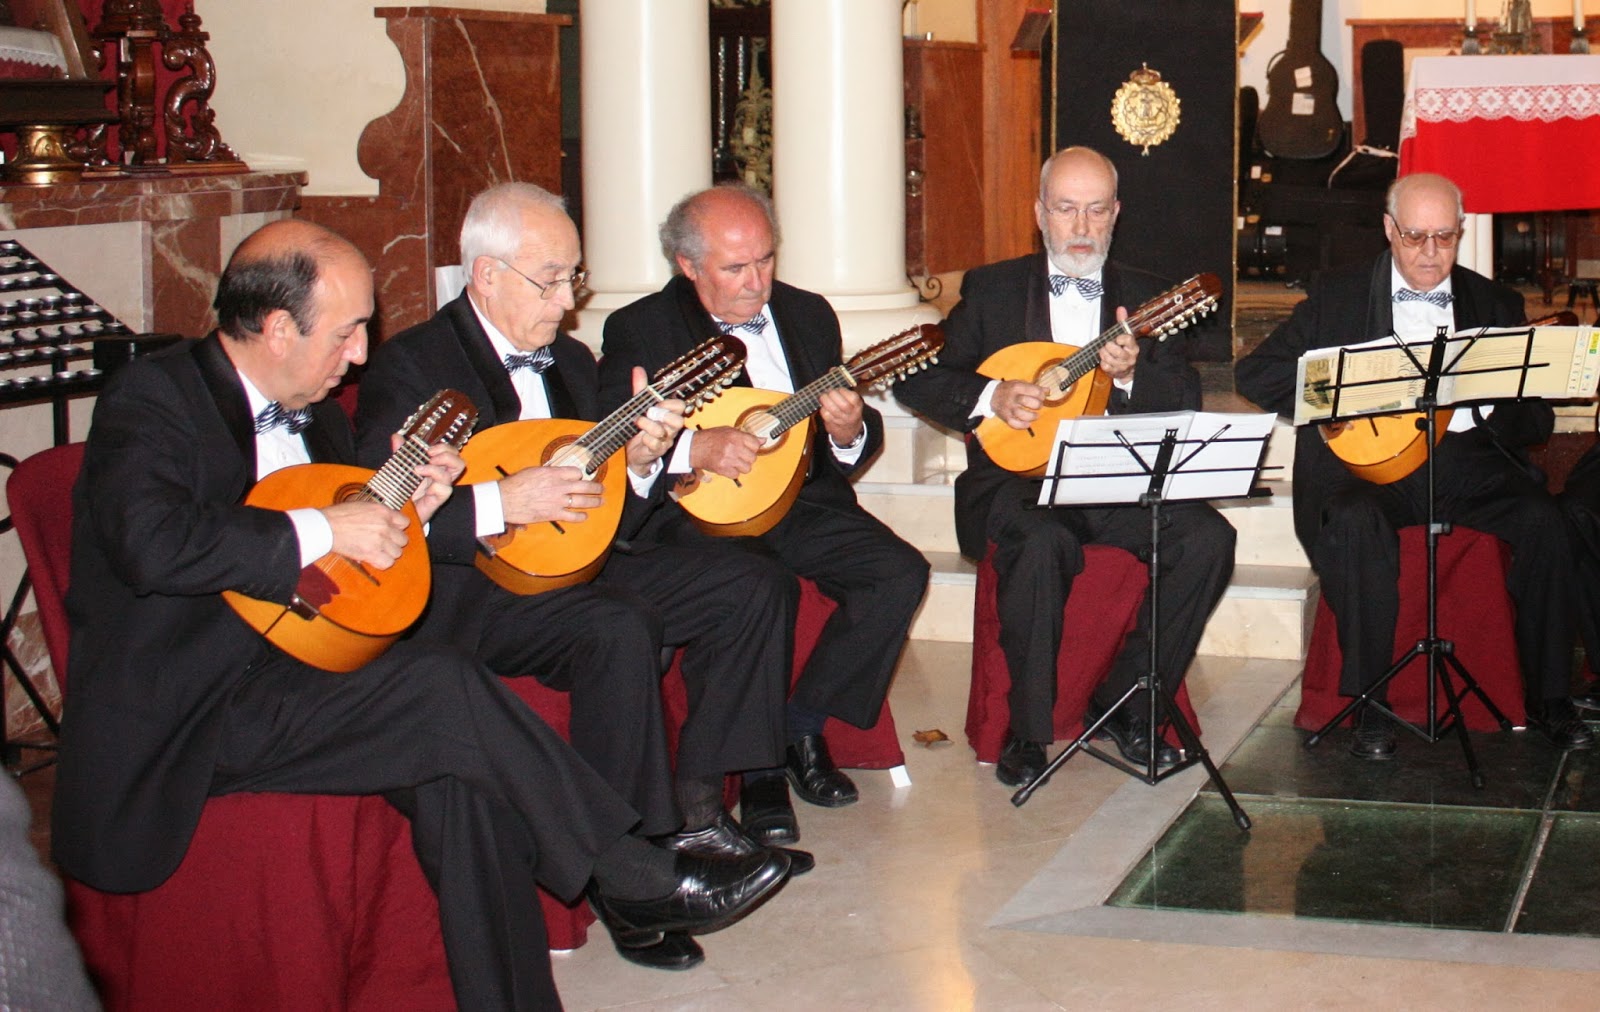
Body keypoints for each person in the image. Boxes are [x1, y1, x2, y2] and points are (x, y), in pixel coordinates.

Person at [51, 219, 789, 1010]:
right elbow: (149, 543)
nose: (362, 355)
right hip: (196, 700)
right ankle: (629, 868)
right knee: (441, 683)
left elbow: (350, 569)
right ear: (274, 329)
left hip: (309, 664)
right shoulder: (155, 397)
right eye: (347, 332)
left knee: (461, 779)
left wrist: (419, 504)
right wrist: (328, 525)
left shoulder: (319, 412)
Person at [355, 183, 812, 964]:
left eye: (575, 279)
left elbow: (611, 513)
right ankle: (637, 880)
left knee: (752, 582)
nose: (568, 302)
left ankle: (702, 814)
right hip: (473, 592)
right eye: (552, 280)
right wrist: (502, 500)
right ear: (487, 275)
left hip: (575, 567)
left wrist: (638, 461)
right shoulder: (414, 365)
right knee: (617, 624)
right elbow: (381, 515)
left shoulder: (569, 360)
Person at [895, 145, 1236, 787]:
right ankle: (1027, 730)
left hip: (1116, 482)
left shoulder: (1148, 299)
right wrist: (989, 396)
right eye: (1066, 209)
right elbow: (920, 380)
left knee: (1209, 538)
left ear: (1116, 214)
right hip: (1016, 484)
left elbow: (1185, 398)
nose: (1081, 228)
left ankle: (1131, 704)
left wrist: (1132, 376)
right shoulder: (994, 290)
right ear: (1040, 214)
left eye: (1096, 210)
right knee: (1041, 540)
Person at [599, 184, 930, 844]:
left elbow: (847, 447)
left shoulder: (807, 315)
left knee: (900, 574)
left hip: (801, 500)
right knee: (759, 589)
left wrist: (845, 429)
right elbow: (615, 438)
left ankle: (801, 724)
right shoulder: (639, 327)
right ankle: (757, 777)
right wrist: (697, 444)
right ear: (687, 266)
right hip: (699, 511)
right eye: (735, 268)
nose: (757, 283)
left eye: (766, 261)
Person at [1236, 172, 1591, 759]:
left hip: (1468, 462)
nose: (1430, 253)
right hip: (1370, 471)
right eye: (1415, 236)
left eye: (1445, 238)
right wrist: (1337, 404)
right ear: (1388, 230)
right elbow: (1258, 373)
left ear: (1462, 231)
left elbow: (1536, 424)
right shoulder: (1339, 295)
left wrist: (1488, 397)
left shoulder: (1495, 303)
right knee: (1352, 522)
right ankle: (1369, 703)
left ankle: (1550, 698)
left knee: (1545, 524)